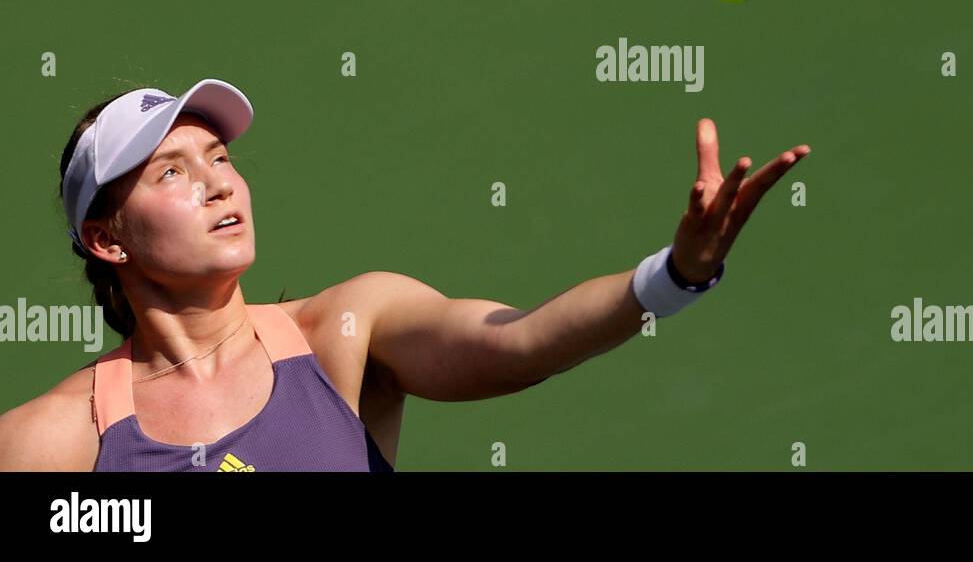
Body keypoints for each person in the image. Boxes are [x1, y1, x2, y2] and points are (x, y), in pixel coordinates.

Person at [0, 78, 810, 471]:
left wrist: (673, 275)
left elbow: (519, 340)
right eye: (170, 172)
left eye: (219, 157)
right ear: (108, 239)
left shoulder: (347, 334)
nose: (218, 182)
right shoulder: (57, 442)